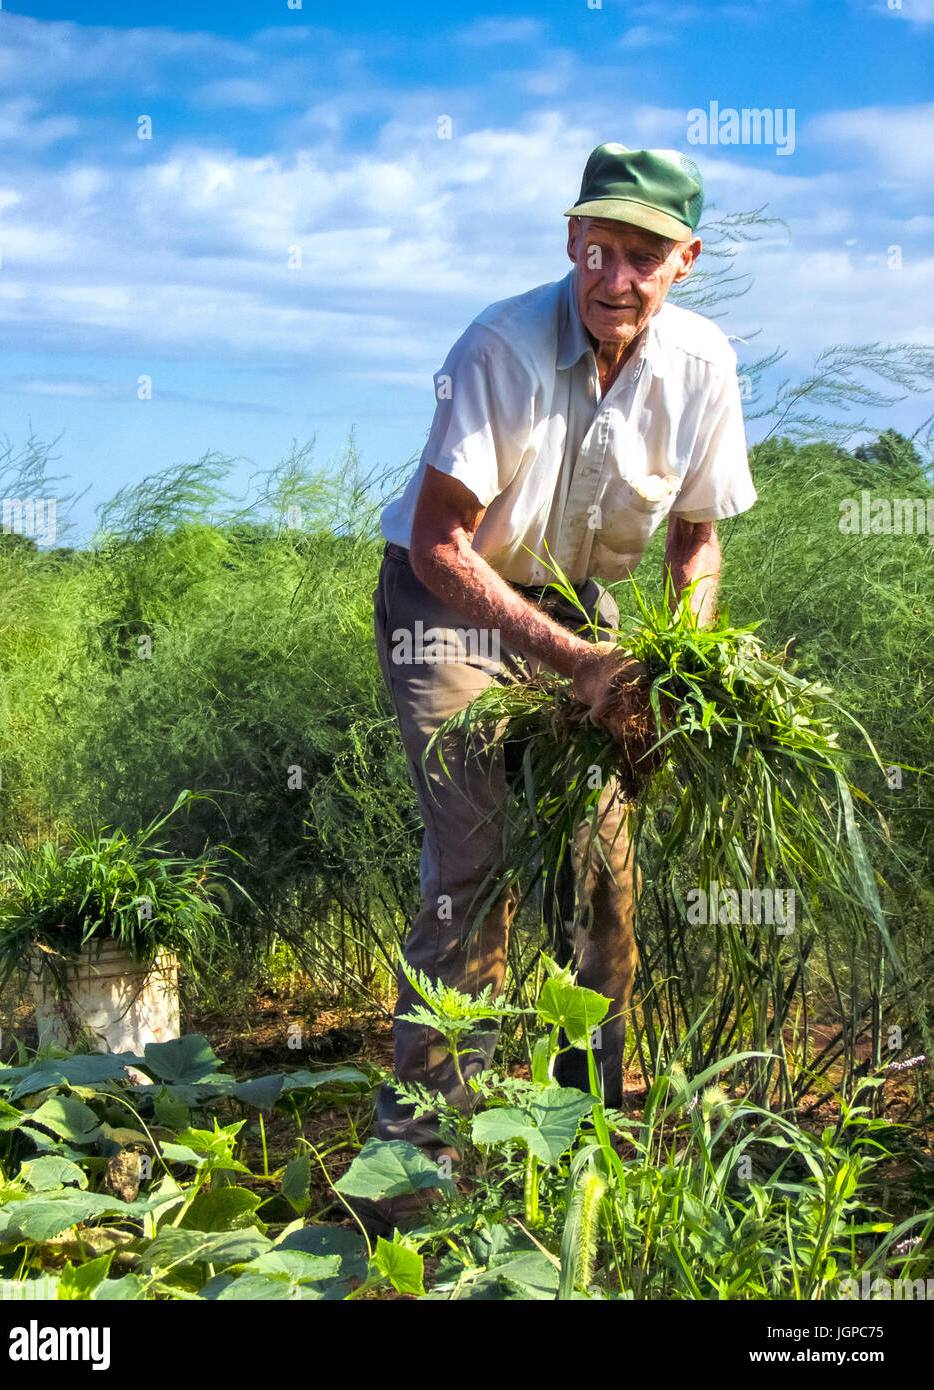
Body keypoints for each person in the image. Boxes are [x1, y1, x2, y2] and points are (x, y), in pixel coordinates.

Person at [367, 142, 757, 1229]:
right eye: (599, 248)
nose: (614, 278)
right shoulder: (499, 346)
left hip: (581, 610)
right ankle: (420, 1161)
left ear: (685, 261)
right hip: (450, 605)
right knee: (476, 861)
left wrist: (674, 665)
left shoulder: (701, 364)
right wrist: (578, 663)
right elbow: (442, 544)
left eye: (643, 257)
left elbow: (695, 543)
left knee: (602, 876)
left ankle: (583, 1143)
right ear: (572, 240)